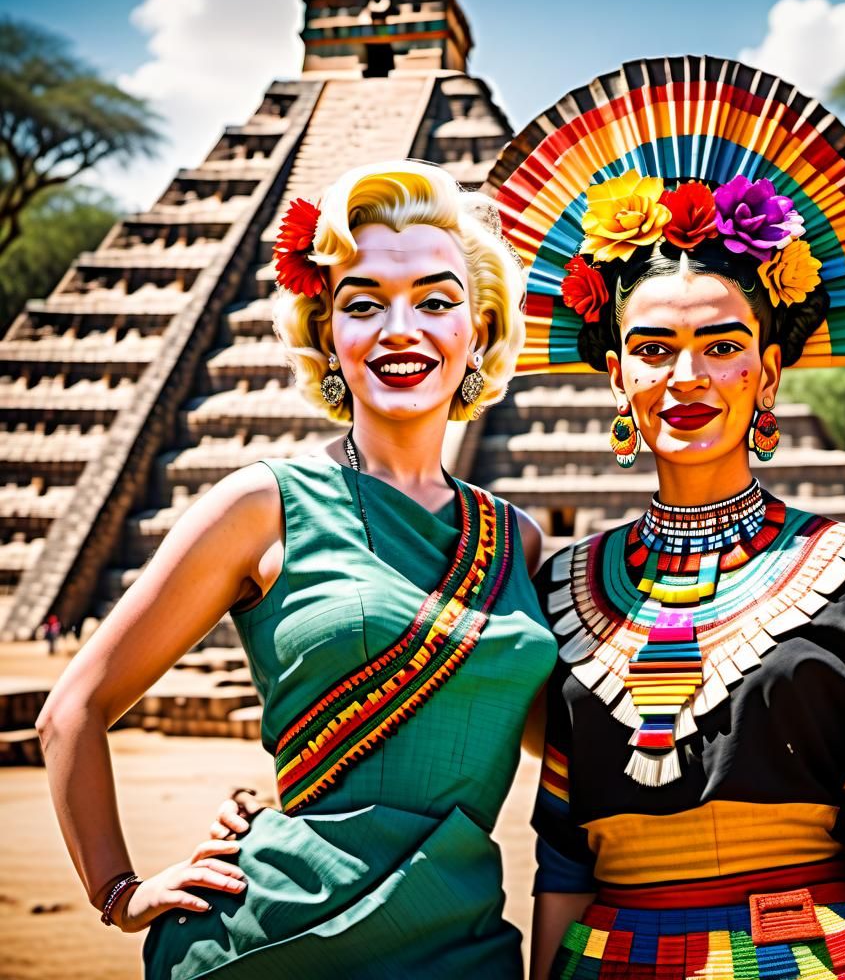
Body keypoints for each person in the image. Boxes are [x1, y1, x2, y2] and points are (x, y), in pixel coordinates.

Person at [486, 56, 845, 979]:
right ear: (617, 374)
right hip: (608, 963)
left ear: (768, 375)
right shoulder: (563, 588)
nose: (686, 378)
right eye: (652, 348)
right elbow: (564, 852)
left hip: (819, 959)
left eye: (722, 346)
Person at [36, 160, 557, 979]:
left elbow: (570, 748)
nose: (399, 329)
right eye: (361, 305)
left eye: (434, 300)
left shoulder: (515, 541)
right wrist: (120, 892)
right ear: (326, 337)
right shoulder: (263, 503)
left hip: (464, 948)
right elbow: (73, 709)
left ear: (480, 331)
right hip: (270, 943)